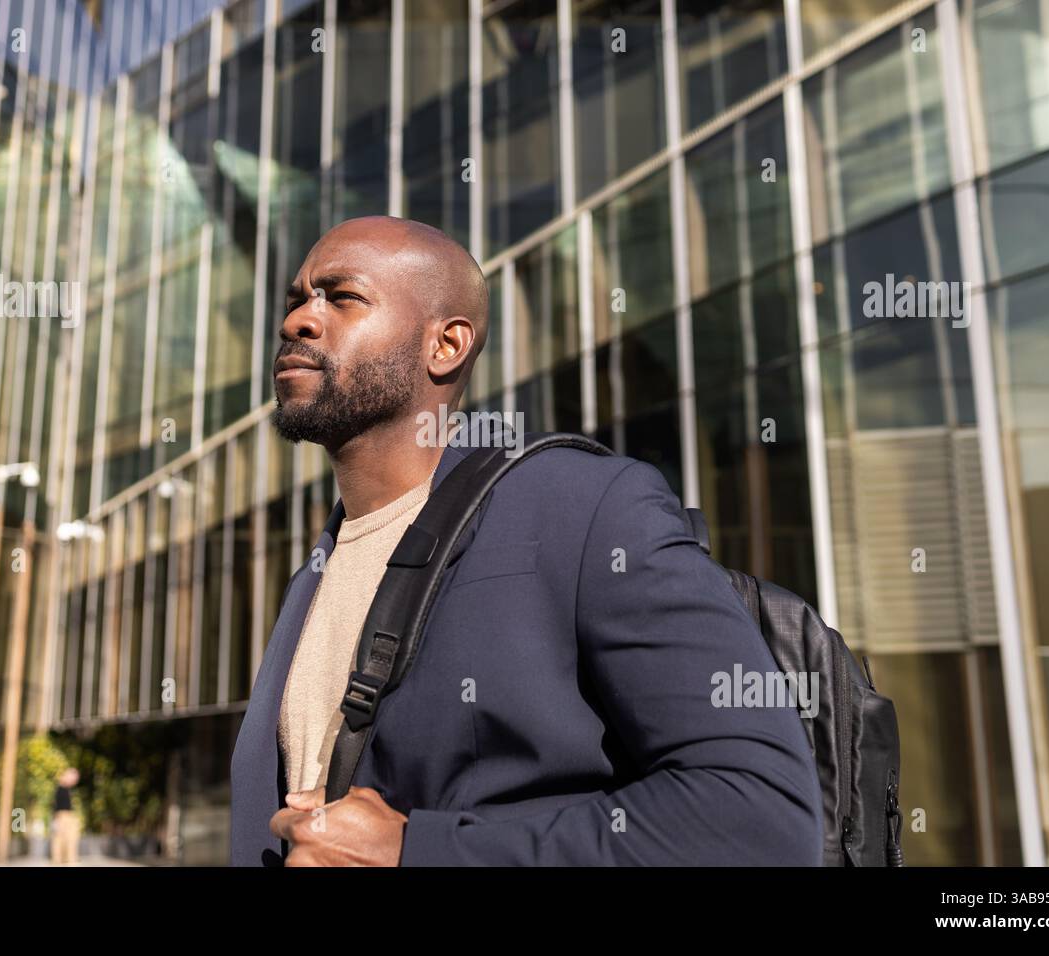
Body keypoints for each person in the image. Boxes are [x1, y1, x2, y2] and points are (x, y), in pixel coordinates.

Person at [229, 215, 822, 866]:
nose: (298, 321)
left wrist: (418, 852)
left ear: (447, 345)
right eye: (295, 300)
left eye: (343, 297)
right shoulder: (315, 571)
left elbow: (761, 818)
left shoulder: (584, 507)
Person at [50, 767, 81, 865]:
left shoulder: (65, 789)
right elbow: (56, 806)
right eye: (73, 779)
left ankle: (67, 859)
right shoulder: (60, 788)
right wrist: (57, 819)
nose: (74, 781)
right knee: (61, 838)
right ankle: (61, 860)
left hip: (66, 815)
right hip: (62, 815)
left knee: (68, 838)